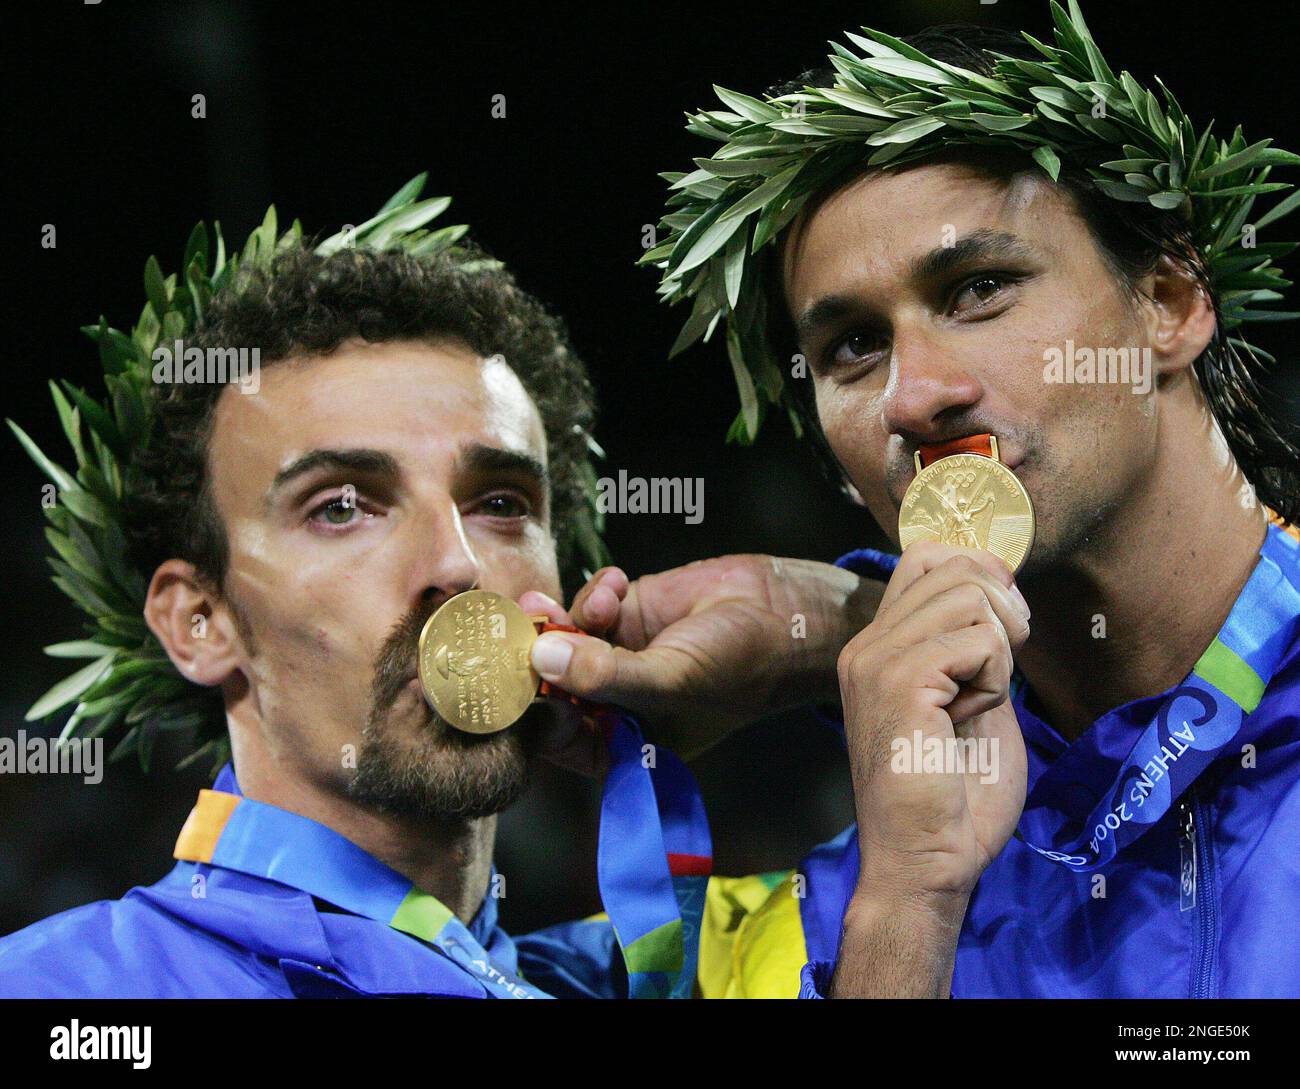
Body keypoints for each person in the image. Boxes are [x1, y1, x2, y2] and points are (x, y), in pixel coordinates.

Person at [528, 4, 1300, 997]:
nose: (918, 394)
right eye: (851, 345)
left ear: (1169, 301)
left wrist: (834, 616)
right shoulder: (860, 897)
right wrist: (909, 906)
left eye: (979, 288)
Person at [0, 181, 816, 998]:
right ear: (202, 621)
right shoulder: (69, 992)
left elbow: (933, 902)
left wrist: (815, 633)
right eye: (344, 507)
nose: (458, 566)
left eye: (501, 504)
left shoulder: (701, 968)